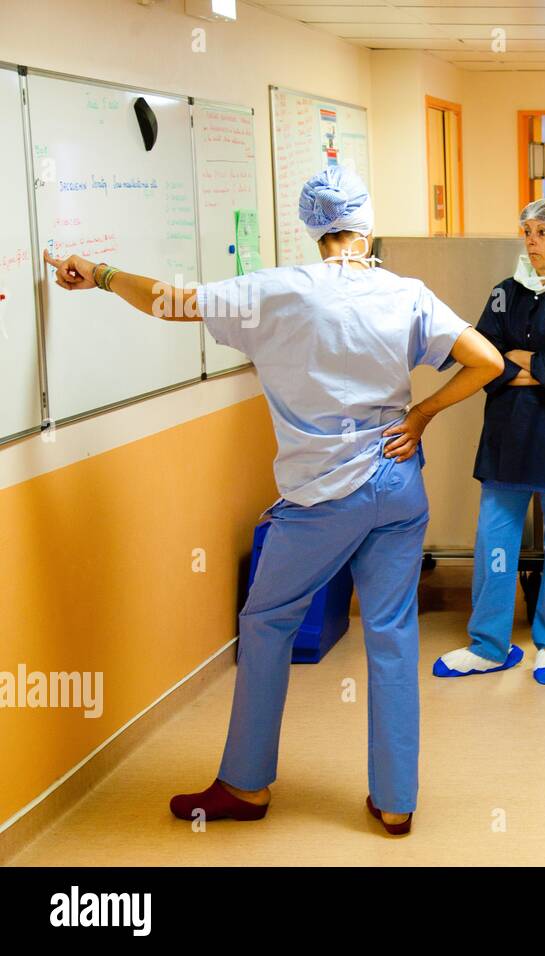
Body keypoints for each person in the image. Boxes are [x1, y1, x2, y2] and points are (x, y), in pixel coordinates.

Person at [44, 167, 503, 835]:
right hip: (399, 485)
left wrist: (104, 274)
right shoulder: (406, 292)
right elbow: (488, 359)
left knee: (266, 624)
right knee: (392, 633)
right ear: (366, 224)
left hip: (323, 495)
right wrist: (424, 413)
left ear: (311, 226)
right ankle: (396, 801)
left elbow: (172, 301)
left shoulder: (278, 291)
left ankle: (245, 785)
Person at [433, 200, 545, 685]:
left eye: (543, 233)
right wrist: (533, 366)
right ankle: (489, 645)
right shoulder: (503, 296)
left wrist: (521, 360)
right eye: (527, 232)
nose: (531, 241)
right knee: (495, 539)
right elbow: (486, 361)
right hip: (509, 437)